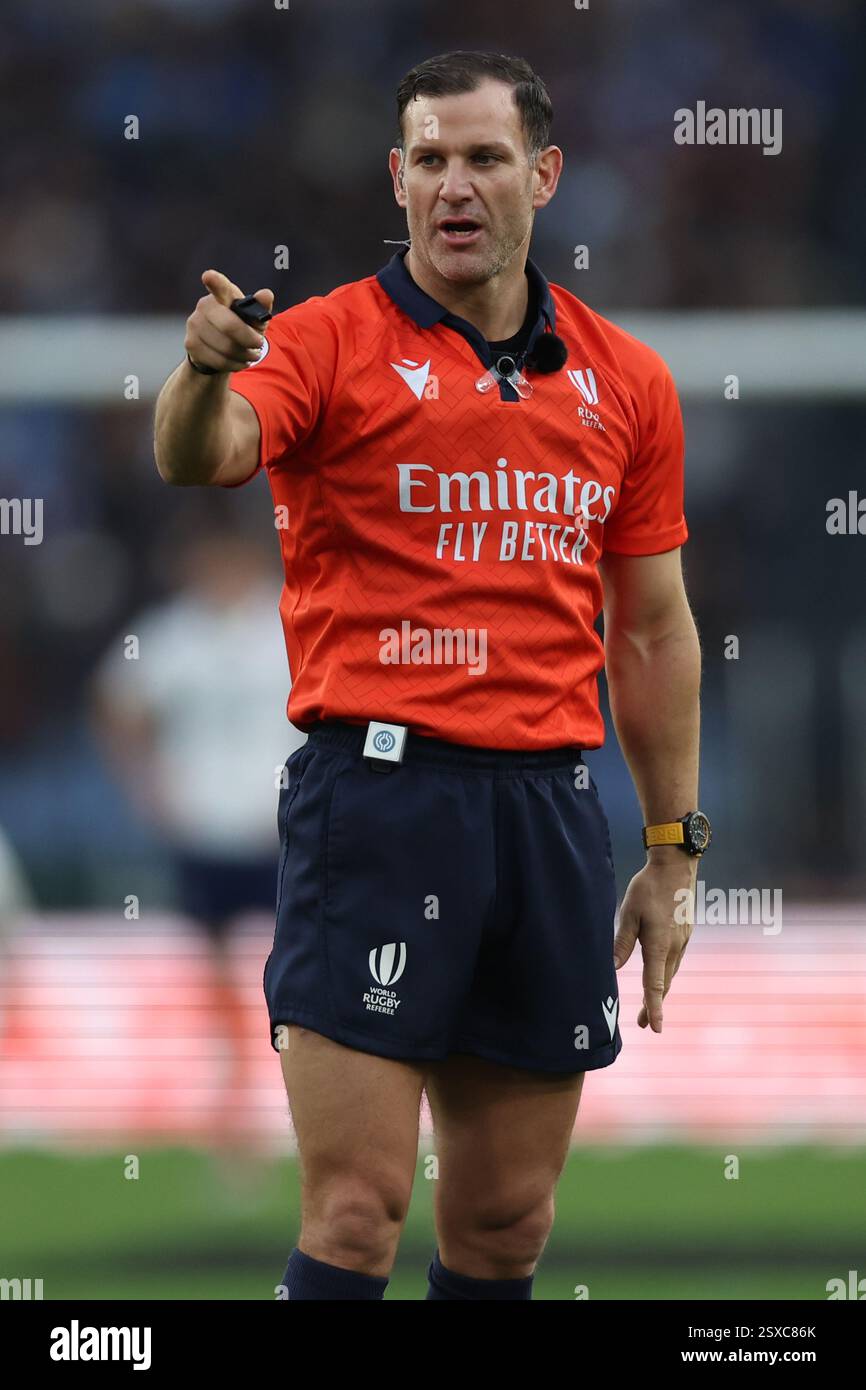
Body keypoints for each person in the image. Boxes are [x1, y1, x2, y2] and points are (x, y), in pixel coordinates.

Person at [152, 50, 708, 1301]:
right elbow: (203, 455)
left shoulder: (627, 380)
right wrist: (197, 372)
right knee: (355, 1213)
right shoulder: (322, 342)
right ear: (396, 179)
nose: (454, 185)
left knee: (506, 1224)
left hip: (549, 814)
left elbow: (655, 632)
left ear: (543, 176)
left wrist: (672, 847)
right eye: (430, 161)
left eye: (485, 158)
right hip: (380, 801)